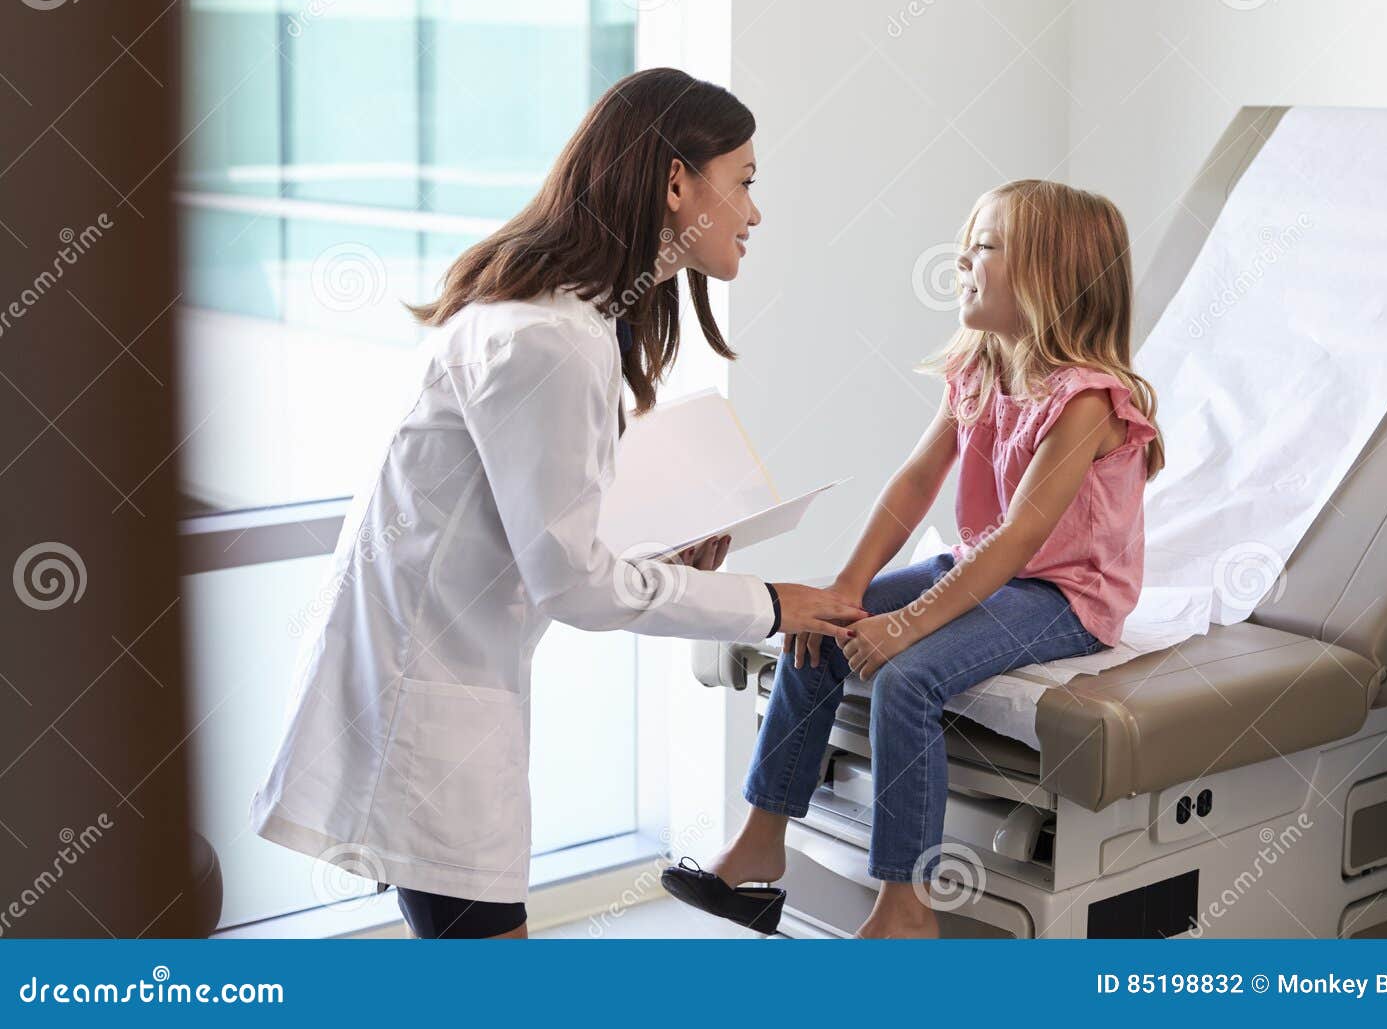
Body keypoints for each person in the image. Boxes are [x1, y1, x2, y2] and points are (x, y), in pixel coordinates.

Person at [250, 68, 866, 939]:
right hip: (426, 703)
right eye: (746, 183)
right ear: (677, 182)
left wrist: (653, 555)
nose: (756, 212)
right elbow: (572, 583)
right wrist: (770, 604)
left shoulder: (558, 315)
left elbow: (534, 523)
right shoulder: (553, 339)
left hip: (433, 681)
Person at [663, 180, 1165, 938]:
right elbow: (915, 483)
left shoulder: (1088, 401)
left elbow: (1023, 536)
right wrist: (847, 587)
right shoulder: (981, 368)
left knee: (907, 678)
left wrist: (908, 626)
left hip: (1065, 594)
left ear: (1051, 274)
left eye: (985, 246)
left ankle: (906, 907)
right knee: (821, 623)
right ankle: (761, 844)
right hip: (983, 565)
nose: (962, 258)